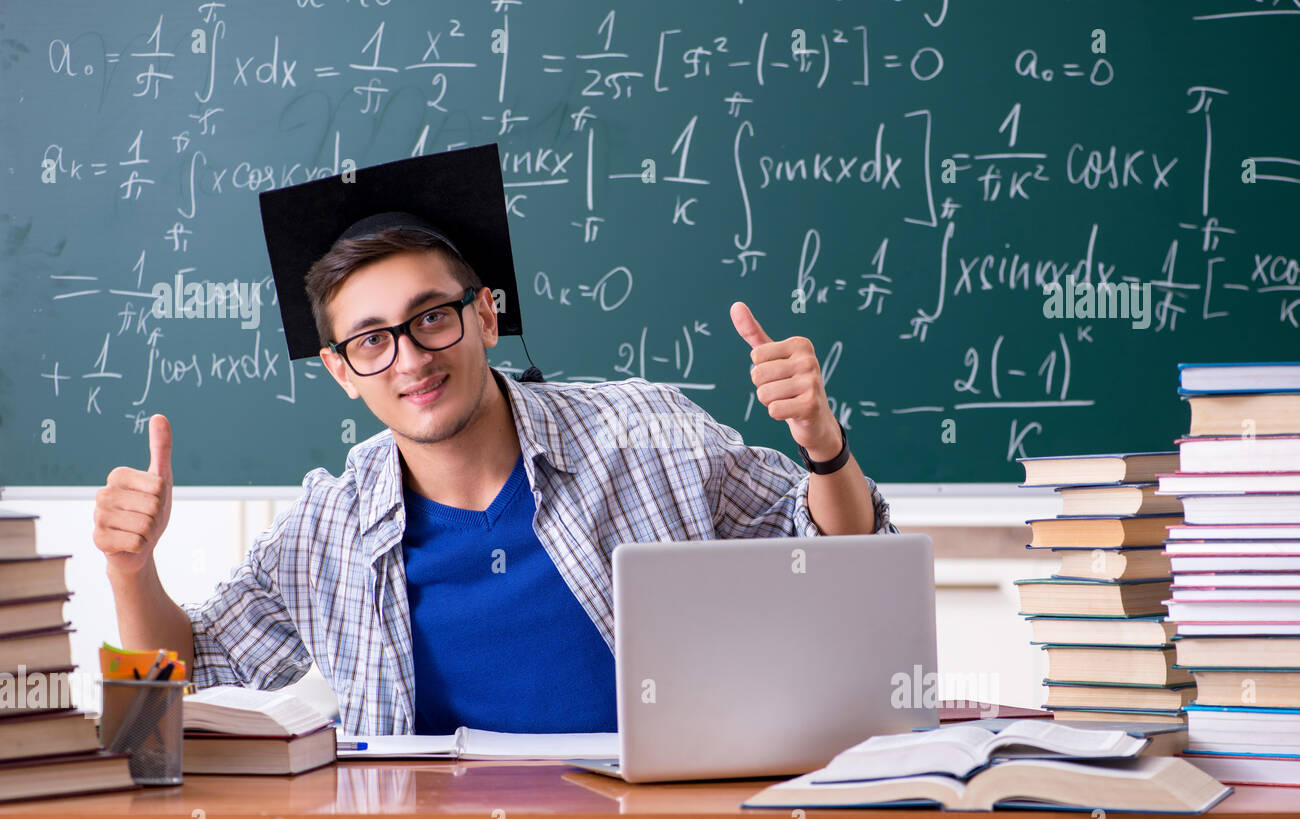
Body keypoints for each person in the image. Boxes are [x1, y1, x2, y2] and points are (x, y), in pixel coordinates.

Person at [92, 146, 897, 736]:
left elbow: (845, 559)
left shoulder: (648, 434)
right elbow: (185, 670)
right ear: (341, 371)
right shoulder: (327, 529)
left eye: (431, 317)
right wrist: (132, 569)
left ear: (484, 315)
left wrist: (822, 443)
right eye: (371, 340)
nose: (410, 359)